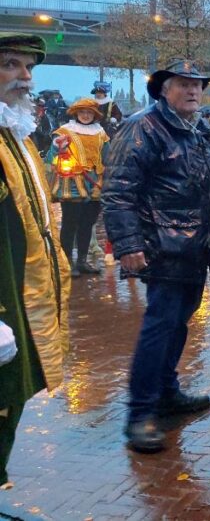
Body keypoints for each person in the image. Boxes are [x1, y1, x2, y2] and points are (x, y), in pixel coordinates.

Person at [102, 60, 210, 453]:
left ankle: (167, 393)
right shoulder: (143, 127)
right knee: (160, 326)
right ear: (163, 89)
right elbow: (118, 191)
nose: (193, 91)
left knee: (179, 323)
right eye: (183, 85)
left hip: (197, 248)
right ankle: (140, 413)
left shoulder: (201, 129)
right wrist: (128, 246)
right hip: (163, 247)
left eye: (197, 85)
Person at [0, 34, 70, 487]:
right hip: (3, 300)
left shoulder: (15, 134)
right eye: (11, 65)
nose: (26, 77)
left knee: (12, 395)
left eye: (28, 68)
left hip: (21, 293)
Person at [47, 98, 109, 277]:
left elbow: (108, 157)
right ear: (76, 114)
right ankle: (67, 262)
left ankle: (82, 261)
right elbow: (52, 158)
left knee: (87, 224)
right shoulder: (65, 132)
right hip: (72, 184)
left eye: (89, 113)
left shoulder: (101, 133)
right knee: (69, 224)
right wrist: (58, 149)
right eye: (82, 112)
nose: (86, 116)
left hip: (95, 183)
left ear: (94, 115)